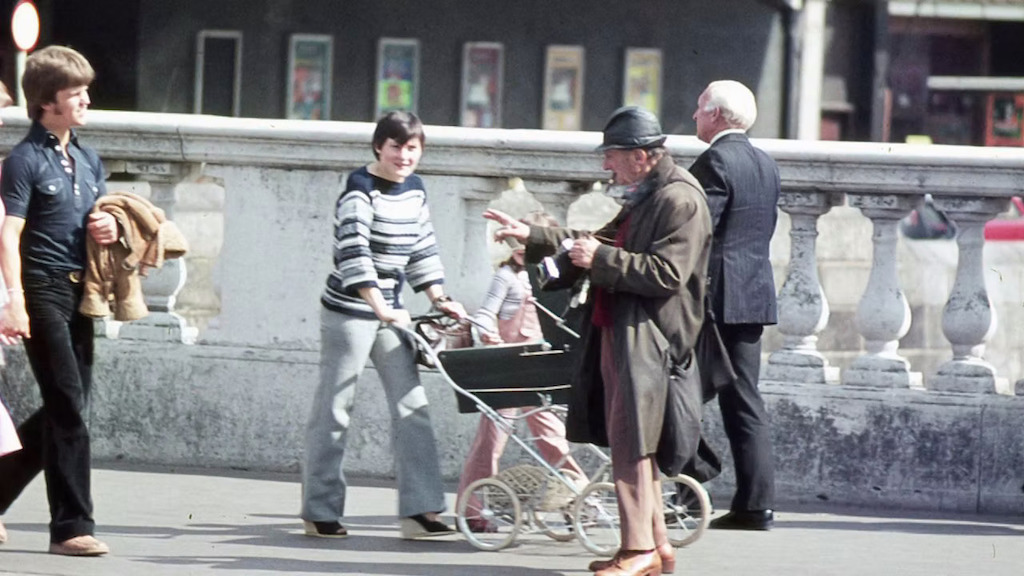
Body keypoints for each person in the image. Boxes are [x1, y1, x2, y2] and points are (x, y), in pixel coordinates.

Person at [485, 106, 711, 576]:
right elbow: (592, 241)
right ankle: (657, 546)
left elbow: (667, 274)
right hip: (625, 333)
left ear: (641, 156)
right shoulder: (648, 193)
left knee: (632, 444)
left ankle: (637, 551)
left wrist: (601, 259)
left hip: (649, 340)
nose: (605, 165)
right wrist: (534, 237)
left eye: (611, 156)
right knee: (636, 444)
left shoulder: (679, 199)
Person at [302, 111, 466, 540]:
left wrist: (439, 298)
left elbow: (423, 247)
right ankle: (319, 511)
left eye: (412, 148)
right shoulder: (360, 189)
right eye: (396, 147)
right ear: (379, 147)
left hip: (391, 312)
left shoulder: (415, 189)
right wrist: (380, 307)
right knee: (334, 410)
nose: (404, 156)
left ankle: (421, 513)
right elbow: (353, 253)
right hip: (349, 312)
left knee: (413, 408)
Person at [0, 46, 119, 556]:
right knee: (68, 404)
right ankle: (71, 527)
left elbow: (101, 215)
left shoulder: (88, 159)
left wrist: (108, 224)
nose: (86, 100)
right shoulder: (24, 160)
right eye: (76, 93)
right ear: (48, 102)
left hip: (80, 291)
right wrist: (14, 300)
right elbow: (8, 235)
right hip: (41, 288)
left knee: (65, 405)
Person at [456, 211, 586, 532]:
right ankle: (473, 509)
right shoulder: (507, 277)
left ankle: (578, 496)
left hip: (539, 369)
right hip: (508, 368)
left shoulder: (552, 279)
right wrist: (488, 333)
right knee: (491, 440)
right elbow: (485, 314)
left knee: (551, 436)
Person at [690, 80, 780, 531]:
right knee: (745, 400)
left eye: (700, 108)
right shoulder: (765, 163)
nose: (694, 115)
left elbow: (696, 229)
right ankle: (755, 504)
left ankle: (691, 484)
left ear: (717, 115)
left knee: (678, 389)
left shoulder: (714, 161)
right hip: (753, 293)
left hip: (715, 296)